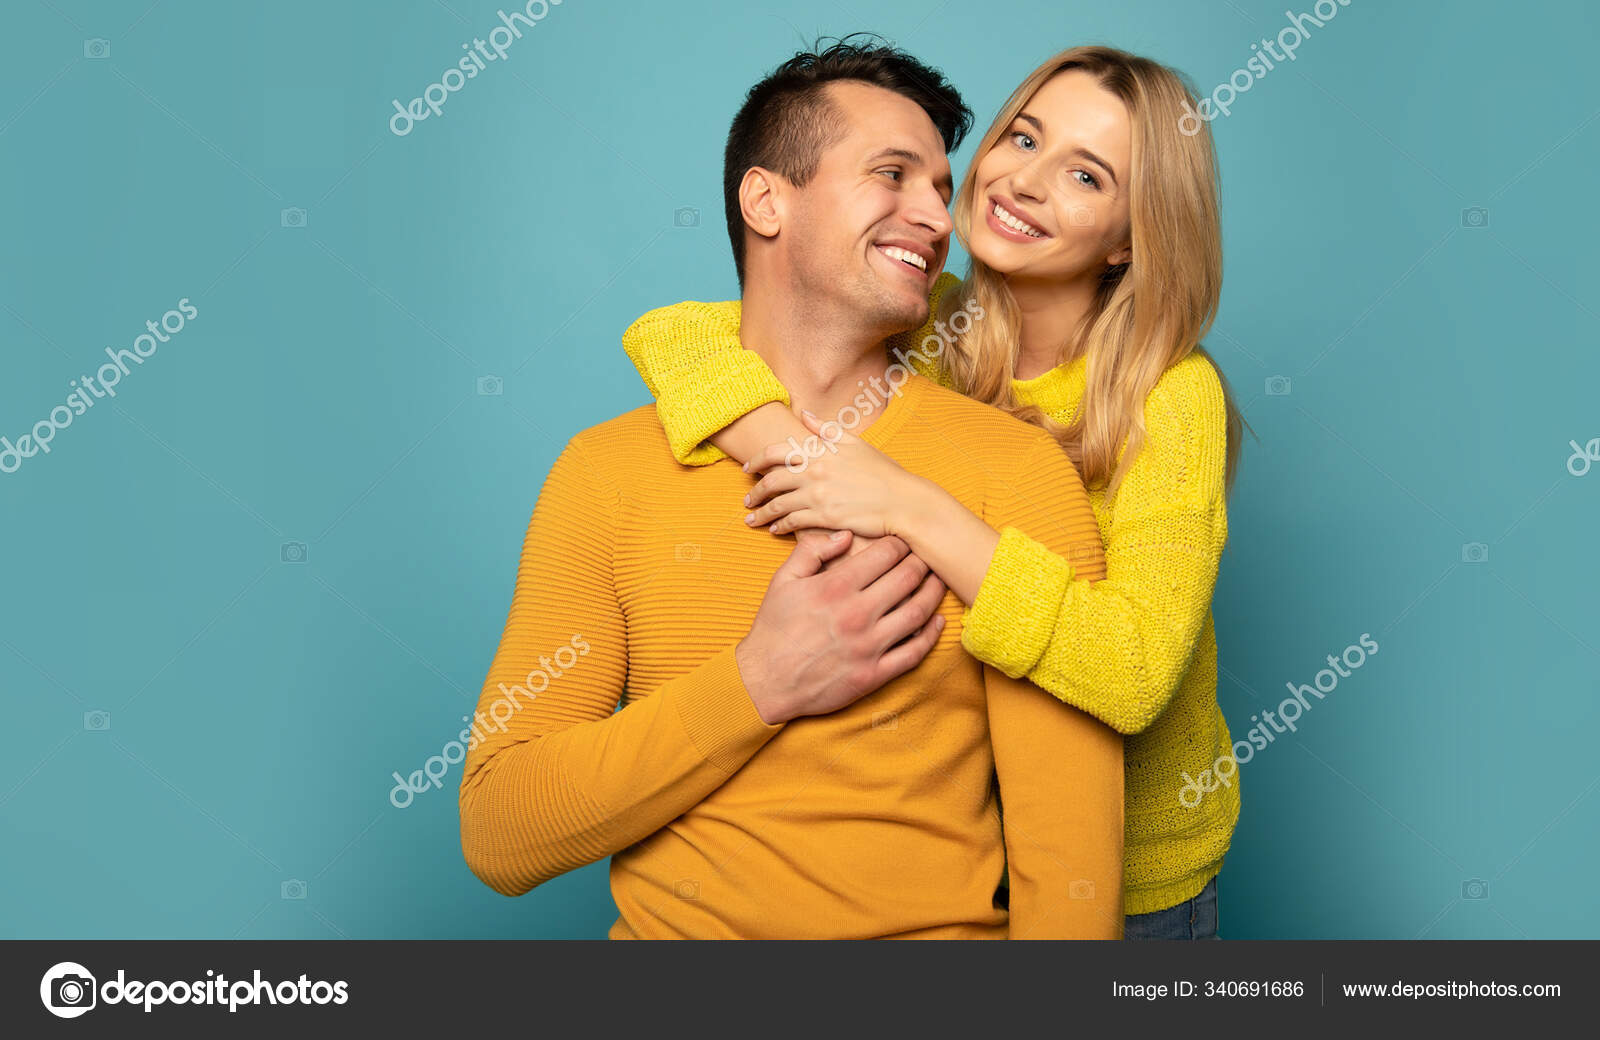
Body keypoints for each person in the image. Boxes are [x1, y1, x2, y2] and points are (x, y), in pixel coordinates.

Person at [459, 39, 1124, 939]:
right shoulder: (607, 473)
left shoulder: (1015, 471)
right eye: (893, 174)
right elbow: (500, 830)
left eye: (941, 185)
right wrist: (758, 685)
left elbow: (1071, 884)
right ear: (766, 200)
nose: (935, 215)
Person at [621, 43, 1248, 939]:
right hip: (973, 848)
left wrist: (908, 503)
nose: (1025, 182)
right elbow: (676, 337)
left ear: (1129, 240)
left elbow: (1133, 671)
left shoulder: (1168, 395)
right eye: (1022, 138)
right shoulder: (933, 326)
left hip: (1136, 876)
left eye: (1084, 175)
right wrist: (795, 457)